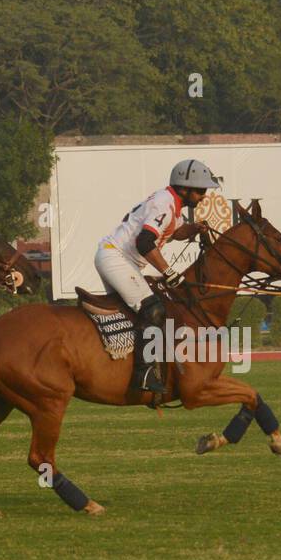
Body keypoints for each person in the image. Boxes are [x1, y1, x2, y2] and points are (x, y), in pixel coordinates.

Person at [94, 159, 219, 394]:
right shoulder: (164, 203)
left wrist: (191, 229)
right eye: (201, 191)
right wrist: (169, 272)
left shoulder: (172, 203)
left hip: (118, 259)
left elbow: (174, 231)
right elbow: (145, 242)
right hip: (115, 257)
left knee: (133, 313)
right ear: (185, 188)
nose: (204, 196)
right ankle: (143, 376)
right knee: (154, 310)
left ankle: (119, 364)